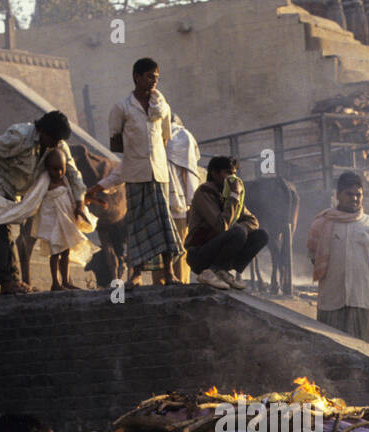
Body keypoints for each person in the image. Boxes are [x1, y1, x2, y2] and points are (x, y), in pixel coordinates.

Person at [86, 57, 180, 286]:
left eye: (156, 78)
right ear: (137, 77)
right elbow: (116, 143)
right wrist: (135, 151)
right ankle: (135, 275)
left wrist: (151, 155)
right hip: (135, 176)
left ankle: (170, 273)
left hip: (158, 175)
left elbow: (165, 138)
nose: (153, 82)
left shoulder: (162, 106)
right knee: (137, 229)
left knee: (163, 225)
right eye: (149, 77)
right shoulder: (122, 107)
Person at [0, 110, 86, 294]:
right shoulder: (19, 136)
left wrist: (80, 201)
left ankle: (12, 280)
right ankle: (8, 282)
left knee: (5, 231)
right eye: (54, 139)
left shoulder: (57, 145)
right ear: (43, 132)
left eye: (59, 141)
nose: (57, 144)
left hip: (13, 191)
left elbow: (73, 173)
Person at [306, 171, 369, 342]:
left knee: (360, 352)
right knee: (328, 351)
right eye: (349, 194)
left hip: (360, 300)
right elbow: (315, 258)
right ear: (337, 195)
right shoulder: (322, 223)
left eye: (359, 195)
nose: (355, 198)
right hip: (331, 299)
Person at [184, 156, 267, 290]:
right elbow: (221, 226)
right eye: (228, 173)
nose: (232, 178)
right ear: (214, 173)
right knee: (238, 232)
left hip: (217, 249)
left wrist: (238, 226)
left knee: (261, 235)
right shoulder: (204, 192)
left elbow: (253, 222)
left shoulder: (227, 195)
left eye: (234, 173)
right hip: (199, 254)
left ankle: (221, 271)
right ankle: (210, 272)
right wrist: (234, 196)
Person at [39, 147, 91, 291]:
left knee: (66, 253)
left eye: (61, 169)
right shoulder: (44, 182)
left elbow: (73, 198)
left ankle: (66, 281)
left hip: (66, 223)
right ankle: (55, 282)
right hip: (53, 224)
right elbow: (40, 204)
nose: (59, 173)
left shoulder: (66, 181)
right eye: (55, 169)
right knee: (55, 253)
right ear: (47, 168)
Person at [166, 114, 201, 283]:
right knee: (180, 249)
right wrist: (192, 205)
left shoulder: (152, 137)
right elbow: (191, 175)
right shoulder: (184, 136)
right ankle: (181, 284)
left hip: (158, 203)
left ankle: (160, 286)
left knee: (160, 252)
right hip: (178, 205)